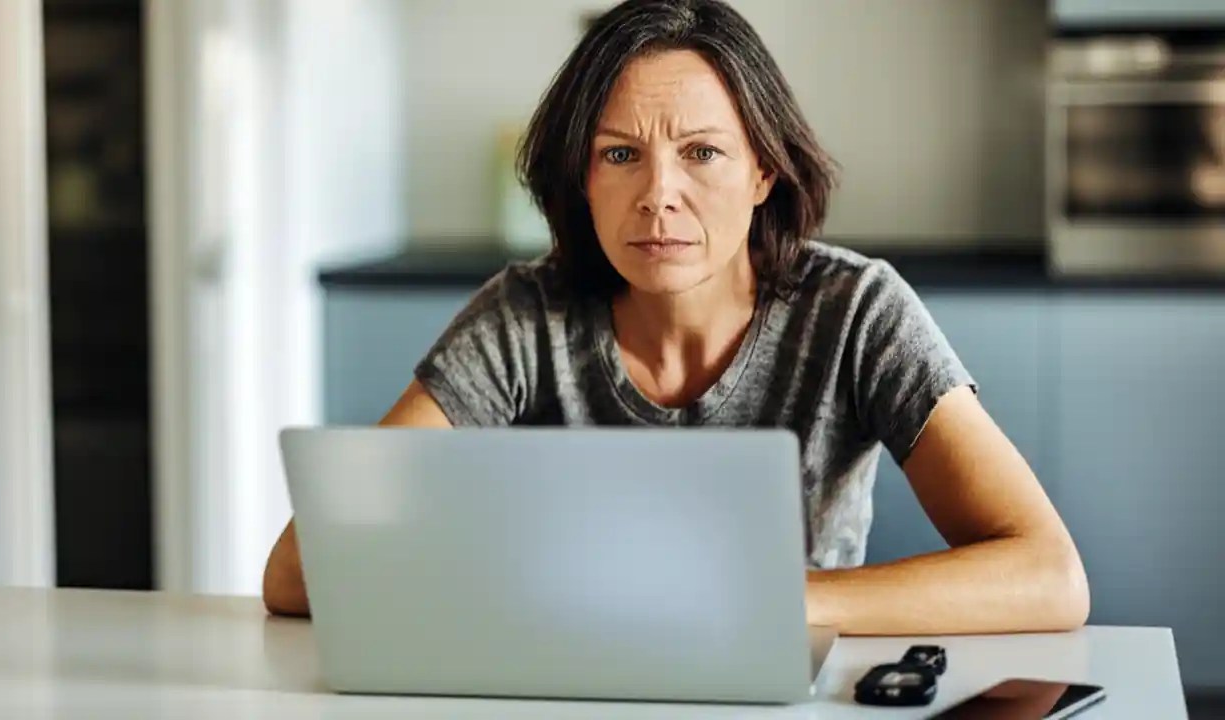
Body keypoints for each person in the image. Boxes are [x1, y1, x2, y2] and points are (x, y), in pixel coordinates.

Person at [264, 0, 1089, 634]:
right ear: (582, 179)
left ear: (764, 170)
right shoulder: (526, 317)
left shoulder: (856, 311)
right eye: (620, 155)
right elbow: (299, 574)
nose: (659, 194)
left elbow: (1049, 575)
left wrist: (765, 603)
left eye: (701, 152)